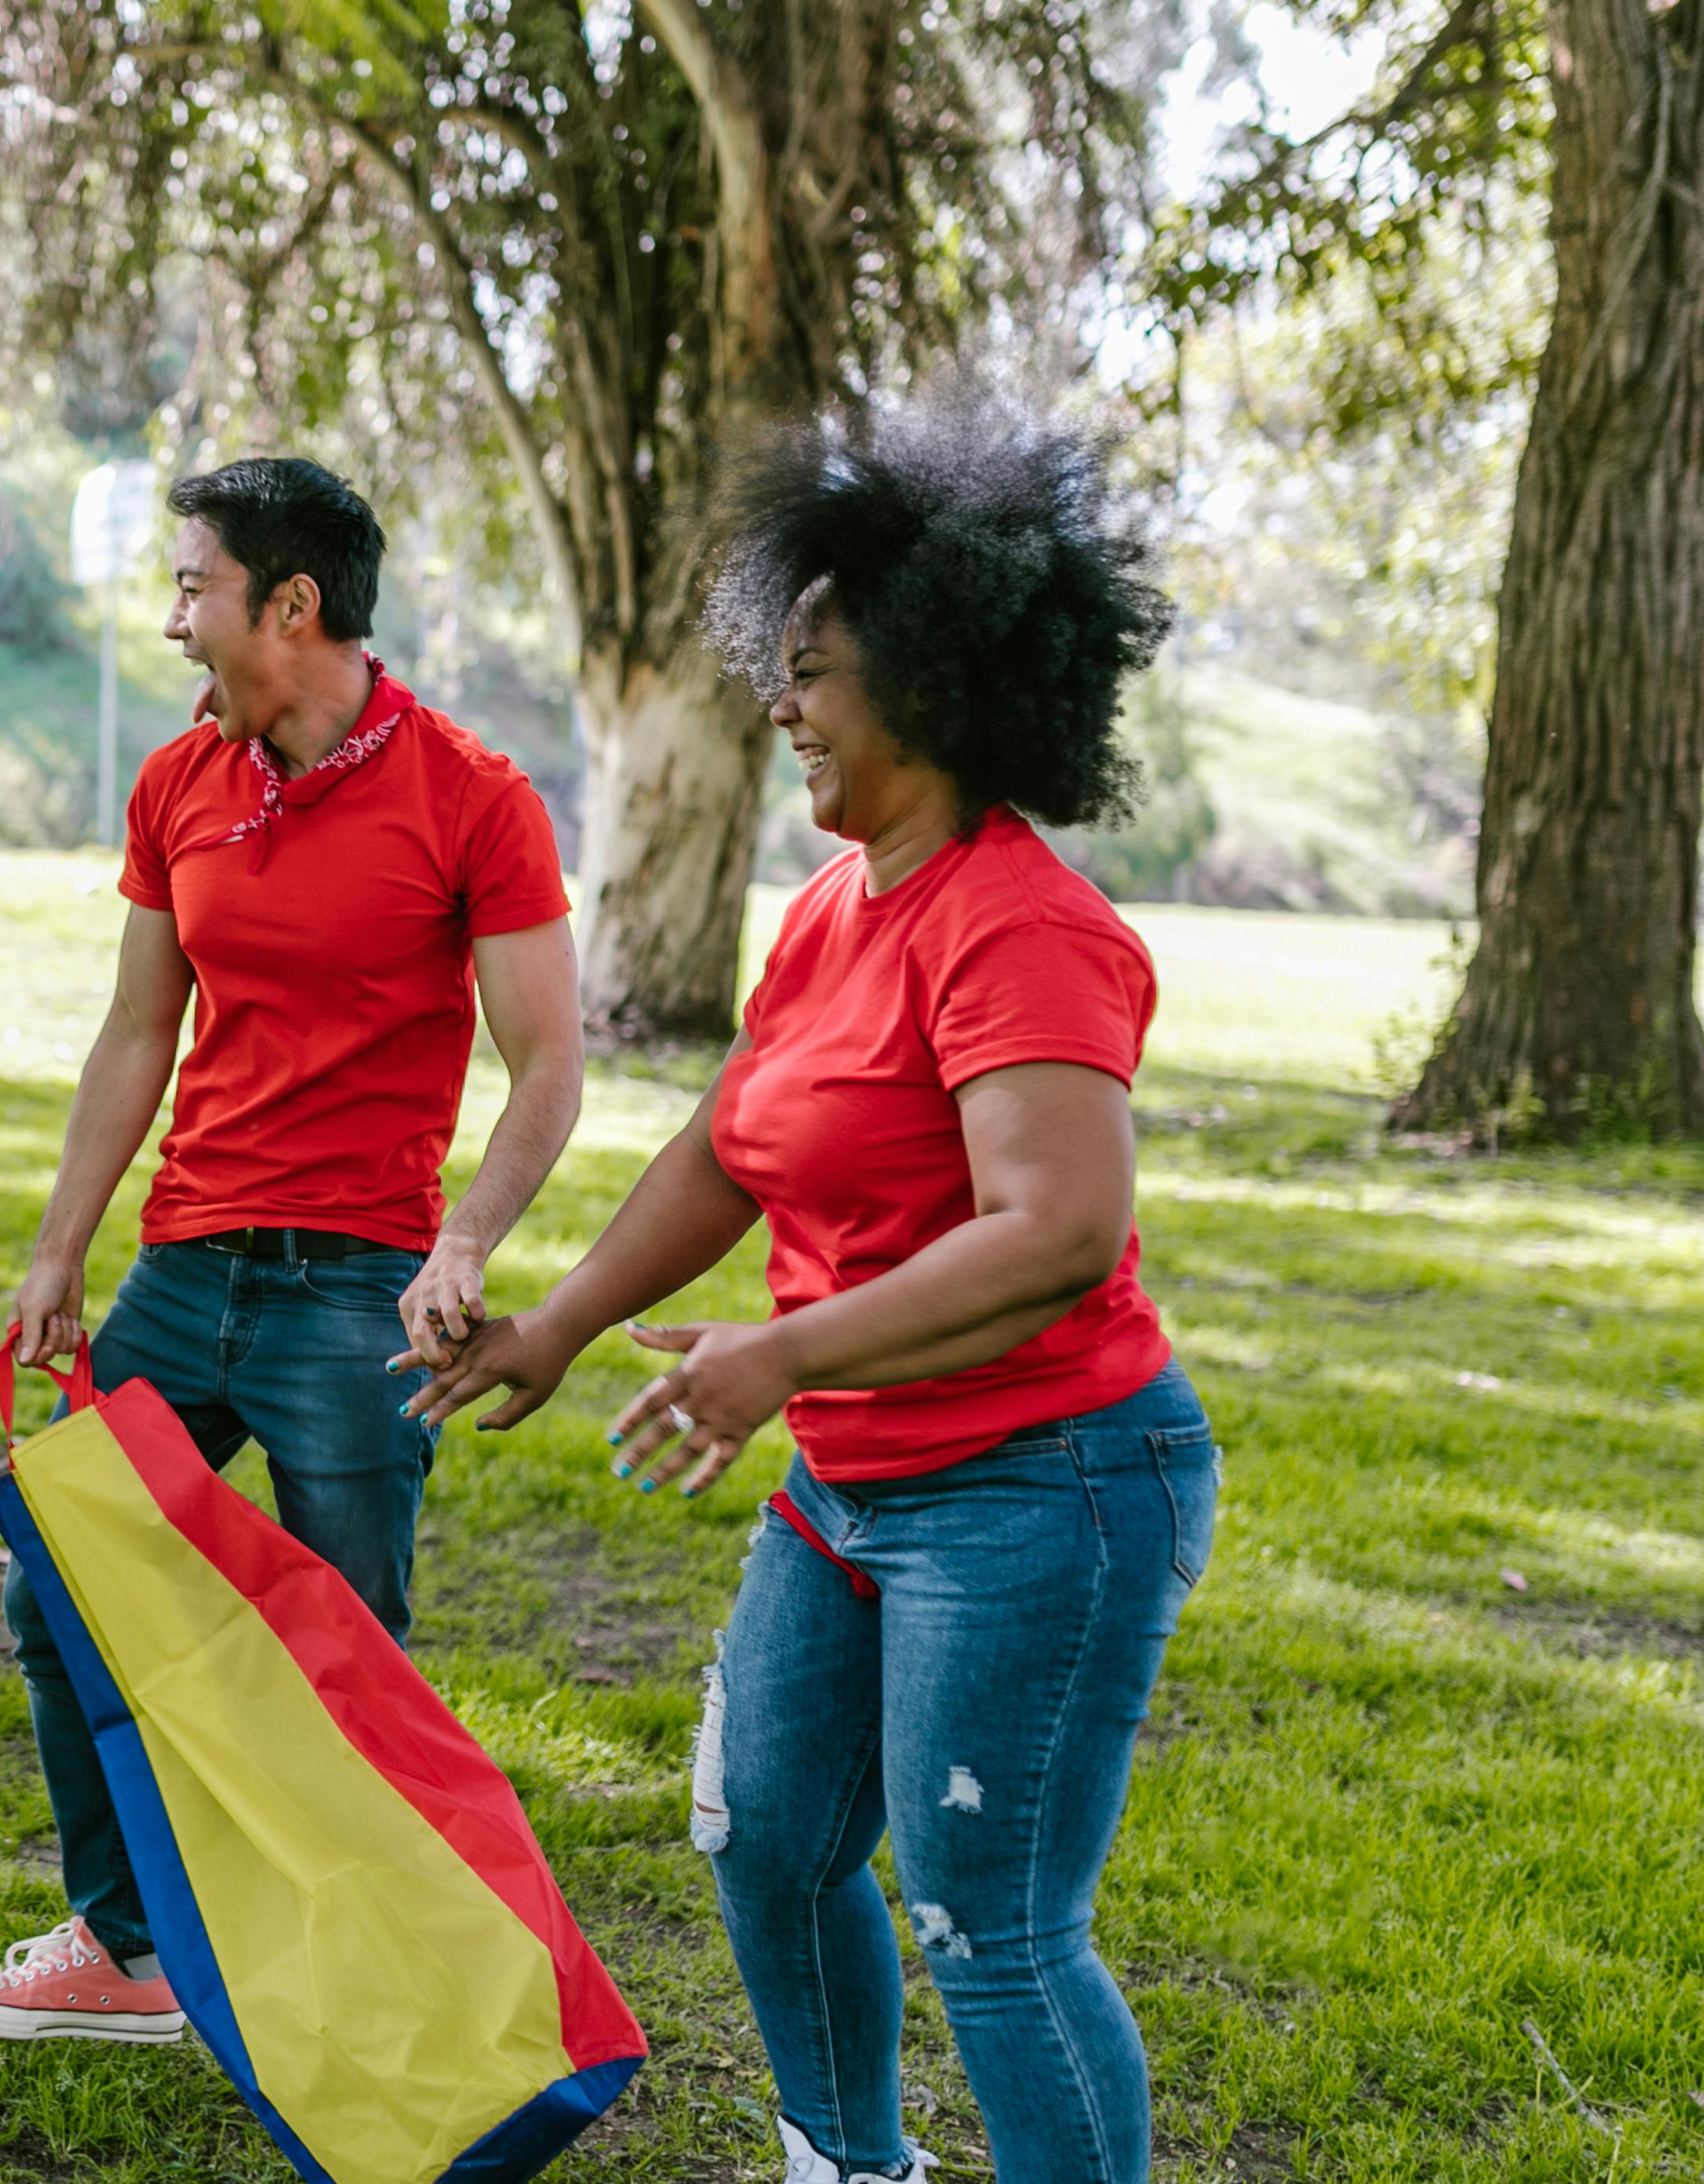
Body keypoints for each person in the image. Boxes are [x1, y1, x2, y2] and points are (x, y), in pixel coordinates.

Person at [408, 404, 1208, 2184]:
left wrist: (780, 1350)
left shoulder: (1026, 926)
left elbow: (1058, 1227)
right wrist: (562, 1319)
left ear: (928, 680)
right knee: (765, 1839)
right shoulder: (835, 906)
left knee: (988, 1925)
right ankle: (850, 2165)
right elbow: (729, 1140)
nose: (782, 701)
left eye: (814, 669)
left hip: (1041, 1487)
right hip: (859, 1483)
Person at [0, 457, 587, 2042]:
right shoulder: (179, 783)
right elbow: (137, 1027)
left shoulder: (472, 793)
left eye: (191, 589)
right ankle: (126, 1943)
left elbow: (546, 1061)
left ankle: (378, 1980)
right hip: (186, 1266)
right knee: (60, 1577)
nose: (170, 623)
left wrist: (463, 1244)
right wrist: (56, 1248)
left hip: (356, 1286)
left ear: (289, 607)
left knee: (348, 1647)